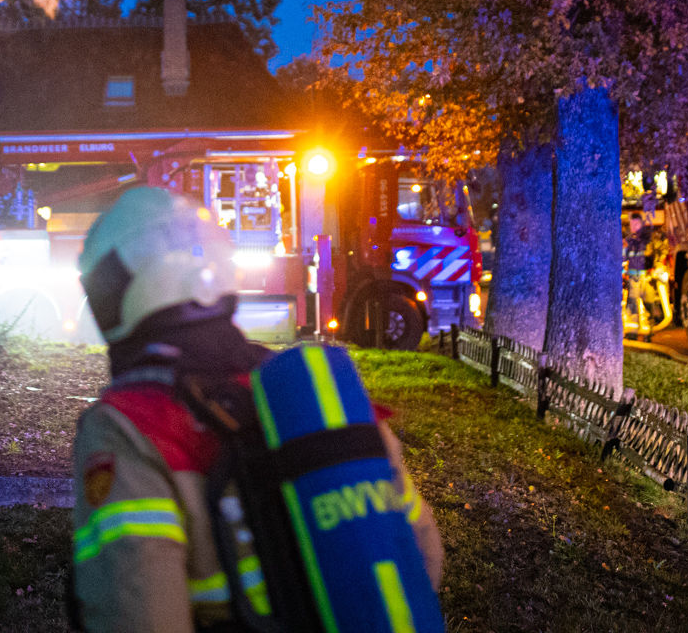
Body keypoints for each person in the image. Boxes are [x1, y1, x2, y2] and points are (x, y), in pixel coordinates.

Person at [70, 187, 444, 633]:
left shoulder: (128, 426)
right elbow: (423, 560)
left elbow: (138, 612)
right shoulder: (321, 396)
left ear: (116, 288)